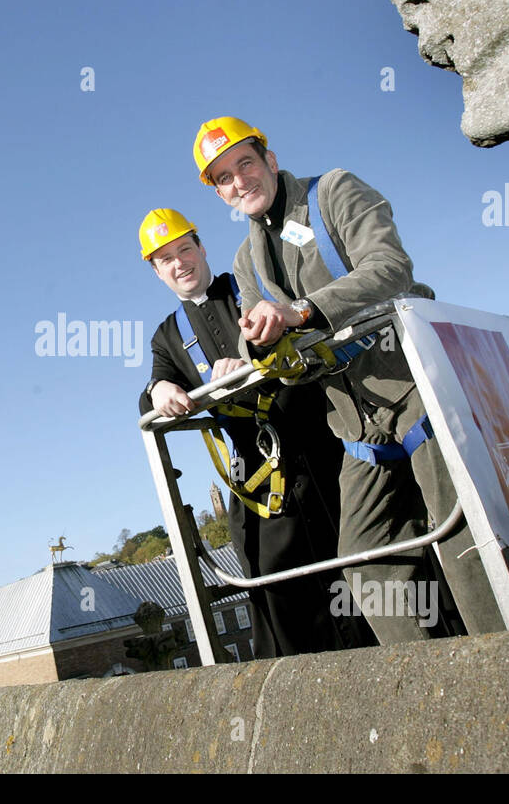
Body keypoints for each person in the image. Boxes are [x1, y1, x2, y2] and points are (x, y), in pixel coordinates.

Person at [191, 116, 507, 643]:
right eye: (224, 177)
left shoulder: (333, 191)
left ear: (270, 160)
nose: (239, 181)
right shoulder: (246, 259)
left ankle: (506, 663)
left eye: (245, 163)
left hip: (412, 385)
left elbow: (390, 266)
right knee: (364, 558)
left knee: (461, 536)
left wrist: (302, 310)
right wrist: (252, 343)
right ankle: (423, 680)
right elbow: (256, 329)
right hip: (354, 422)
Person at [137, 208, 372, 657]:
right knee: (266, 579)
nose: (180, 263)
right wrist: (159, 387)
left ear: (202, 248)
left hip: (315, 444)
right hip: (255, 475)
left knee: (349, 561)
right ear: (157, 271)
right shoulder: (168, 336)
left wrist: (253, 352)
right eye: (166, 258)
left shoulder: (247, 287)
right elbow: (150, 393)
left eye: (185, 249)